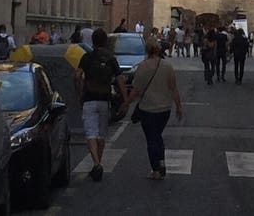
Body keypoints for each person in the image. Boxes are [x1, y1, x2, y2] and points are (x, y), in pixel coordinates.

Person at [123, 37, 183, 179]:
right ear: (158, 50)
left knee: (151, 138)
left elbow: (135, 90)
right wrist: (178, 106)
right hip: (165, 109)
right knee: (157, 136)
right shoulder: (167, 66)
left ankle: (156, 169)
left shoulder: (142, 66)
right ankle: (161, 163)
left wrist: (126, 103)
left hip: (147, 109)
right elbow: (173, 88)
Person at [75, 28, 127, 181]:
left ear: (93, 41)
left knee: (90, 133)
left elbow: (77, 75)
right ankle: (98, 162)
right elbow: (120, 79)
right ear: (105, 41)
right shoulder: (110, 58)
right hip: (105, 100)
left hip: (89, 99)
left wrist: (79, 93)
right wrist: (125, 99)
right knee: (101, 134)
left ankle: (96, 163)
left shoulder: (87, 57)